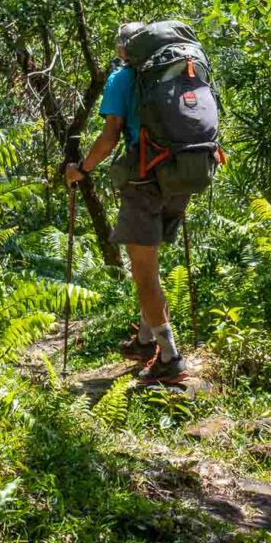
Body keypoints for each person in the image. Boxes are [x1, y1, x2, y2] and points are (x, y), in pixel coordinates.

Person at [65, 21, 191, 385]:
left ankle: (169, 356)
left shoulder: (124, 78)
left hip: (144, 178)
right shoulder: (176, 71)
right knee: (149, 261)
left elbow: (108, 138)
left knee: (143, 272)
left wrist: (82, 170)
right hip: (180, 174)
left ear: (124, 49)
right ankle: (144, 339)